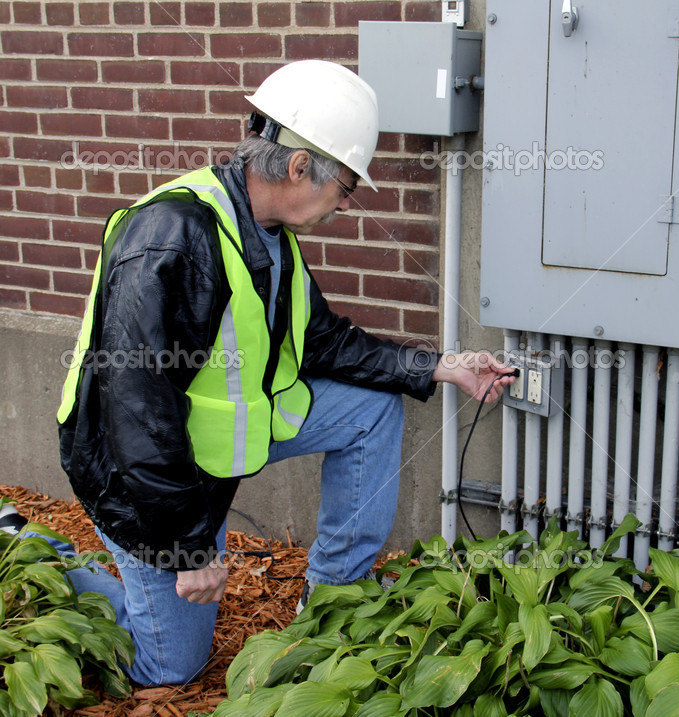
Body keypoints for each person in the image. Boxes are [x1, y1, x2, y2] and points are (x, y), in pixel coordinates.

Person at [45, 60, 513, 686]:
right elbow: (136, 407)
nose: (345, 206)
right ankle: (43, 557)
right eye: (345, 187)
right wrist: (187, 547)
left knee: (371, 408)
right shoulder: (171, 238)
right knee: (166, 667)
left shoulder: (268, 233)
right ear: (299, 167)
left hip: (218, 446)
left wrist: (443, 367)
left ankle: (331, 601)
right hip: (139, 483)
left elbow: (322, 341)